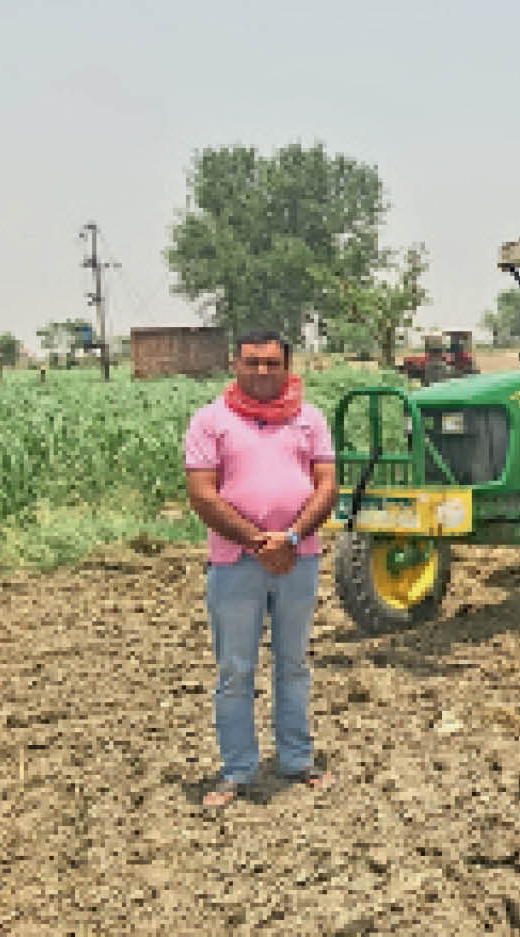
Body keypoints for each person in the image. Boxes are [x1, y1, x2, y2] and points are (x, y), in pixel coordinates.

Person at [184, 329, 338, 807]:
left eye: (272, 363)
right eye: (253, 362)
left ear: (287, 366)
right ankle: (237, 770)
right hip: (234, 564)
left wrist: (290, 537)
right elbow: (202, 493)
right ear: (236, 365)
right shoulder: (210, 421)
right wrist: (256, 541)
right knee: (235, 670)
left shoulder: (309, 419)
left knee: (293, 665)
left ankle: (296, 760)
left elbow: (327, 485)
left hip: (299, 558)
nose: (262, 372)